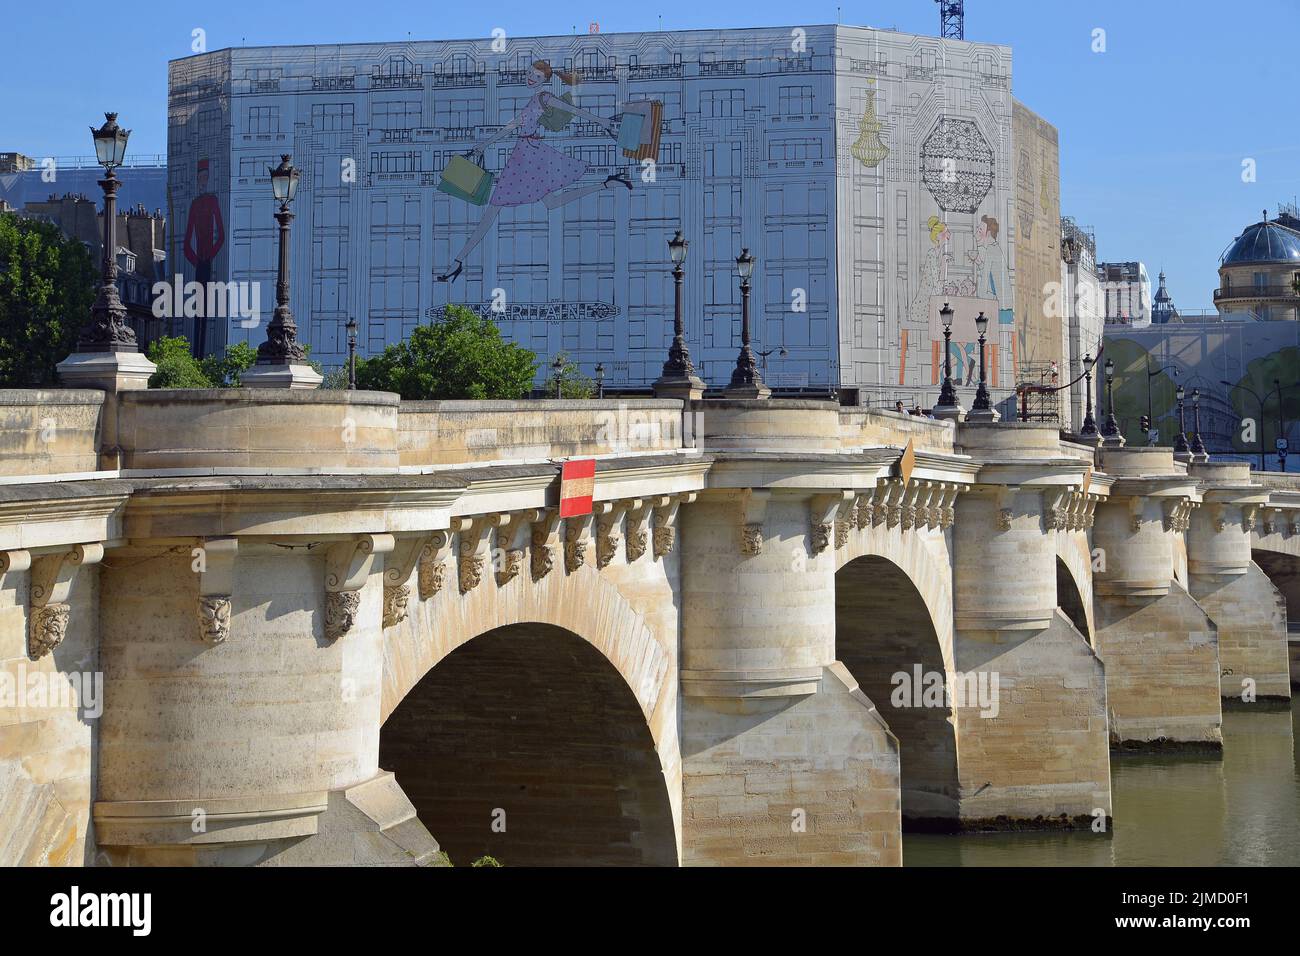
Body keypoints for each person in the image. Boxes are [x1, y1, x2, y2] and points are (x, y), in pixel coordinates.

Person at [436, 60, 628, 283]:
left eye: (536, 76)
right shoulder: (532, 102)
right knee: (550, 203)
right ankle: (606, 184)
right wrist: (484, 145)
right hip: (525, 156)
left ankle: (458, 261)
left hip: (527, 159)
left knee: (493, 211)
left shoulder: (544, 97)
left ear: (545, 80)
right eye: (529, 73)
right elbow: (510, 127)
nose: (530, 78)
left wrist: (602, 121)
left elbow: (573, 110)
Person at [183, 159, 225, 355]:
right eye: (201, 178)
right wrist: (197, 260)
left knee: (206, 308)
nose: (203, 181)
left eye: (205, 177)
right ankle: (197, 354)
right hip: (200, 262)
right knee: (199, 309)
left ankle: (201, 354)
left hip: (206, 261)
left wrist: (209, 256)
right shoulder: (195, 204)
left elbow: (221, 235)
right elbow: (186, 243)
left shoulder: (212, 201)